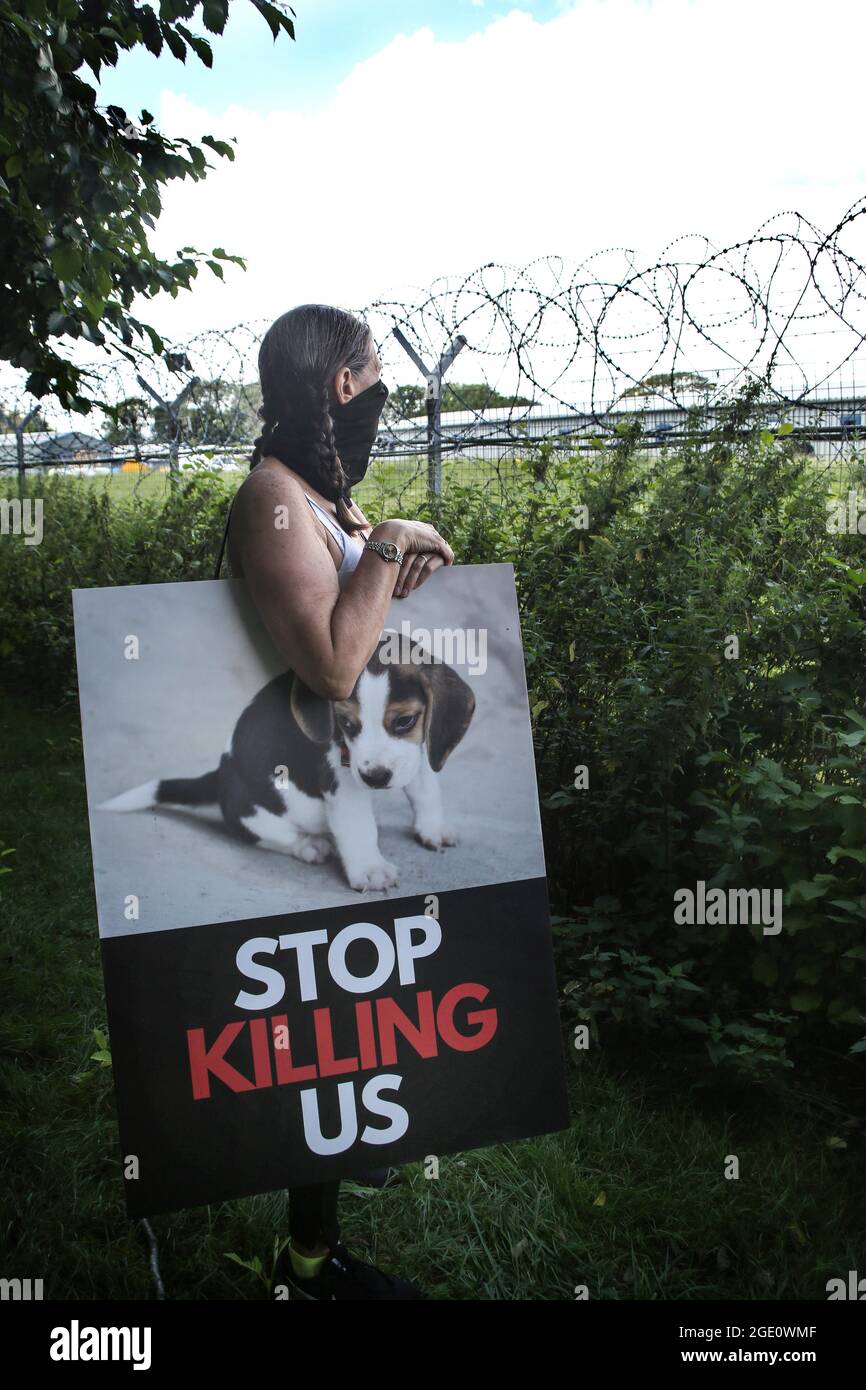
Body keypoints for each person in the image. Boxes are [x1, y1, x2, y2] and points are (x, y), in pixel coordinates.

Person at [214, 303, 455, 1300]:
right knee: (305, 1041)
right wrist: (388, 543)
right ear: (343, 384)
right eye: (369, 375)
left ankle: (312, 1244)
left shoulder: (316, 497)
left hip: (338, 792)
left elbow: (355, 625)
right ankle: (304, 1269)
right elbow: (326, 663)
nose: (379, 397)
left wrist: (392, 556)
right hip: (296, 806)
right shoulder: (270, 499)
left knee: (334, 1035)